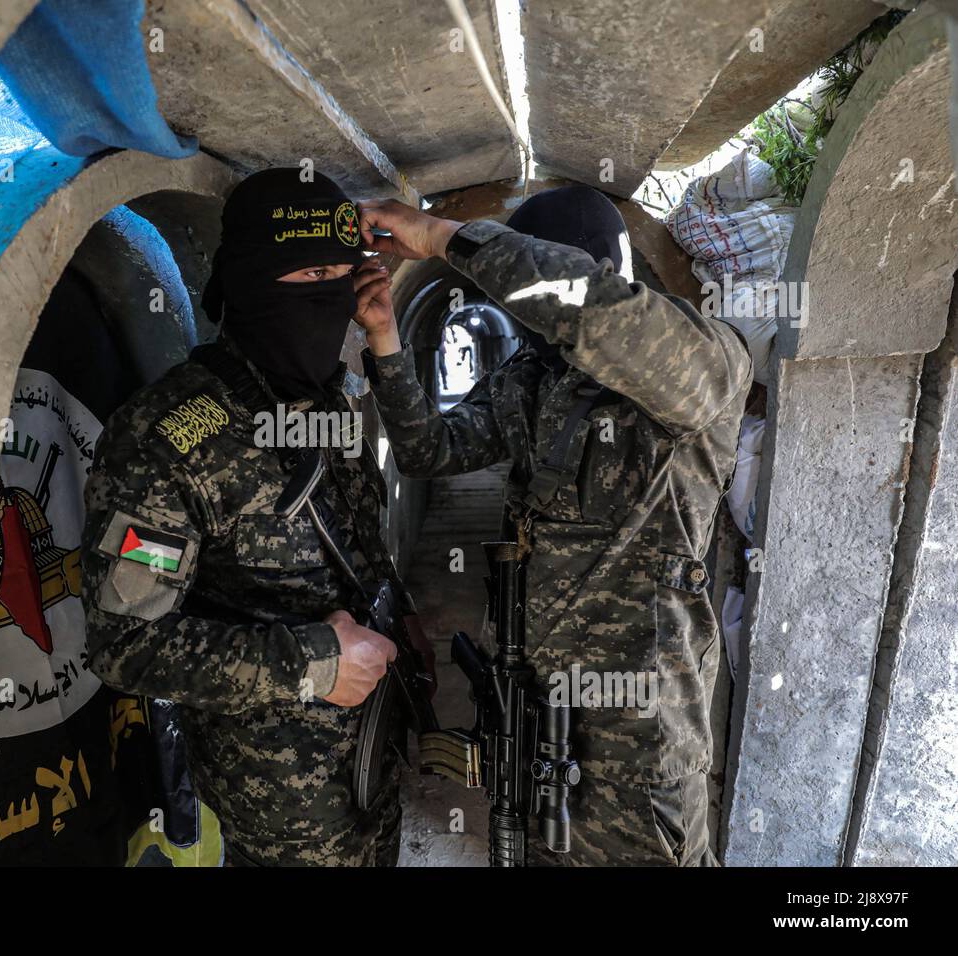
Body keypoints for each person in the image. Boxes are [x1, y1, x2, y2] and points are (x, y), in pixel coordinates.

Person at [351, 185, 752, 866]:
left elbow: (592, 315)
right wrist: (388, 342)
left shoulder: (700, 363)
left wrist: (446, 237)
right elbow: (430, 450)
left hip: (636, 733)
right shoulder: (535, 377)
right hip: (532, 714)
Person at [80, 168, 430, 866]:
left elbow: (357, 539)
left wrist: (399, 608)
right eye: (307, 275)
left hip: (372, 768)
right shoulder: (166, 439)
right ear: (248, 282)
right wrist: (314, 663)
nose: (328, 297)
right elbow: (126, 645)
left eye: (341, 274)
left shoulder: (330, 397)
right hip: (279, 813)